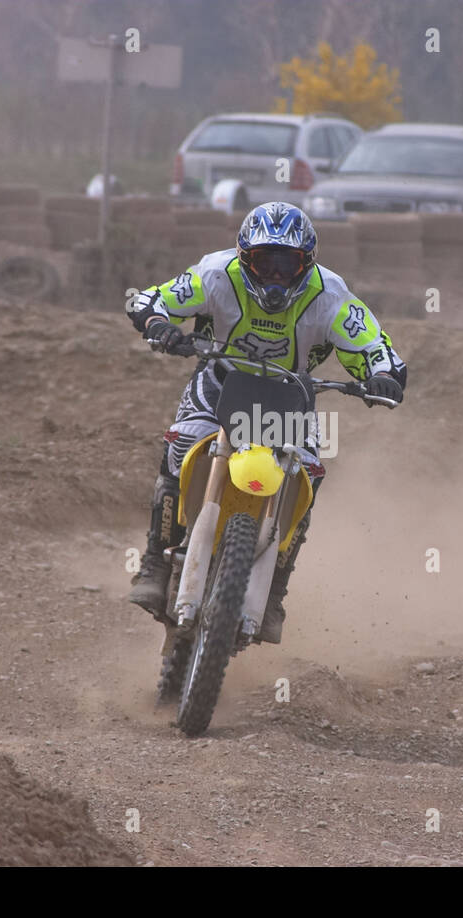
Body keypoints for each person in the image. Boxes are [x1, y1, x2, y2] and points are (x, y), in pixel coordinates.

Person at [125, 201, 407, 644]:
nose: (275, 277)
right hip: (220, 381)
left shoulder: (330, 295)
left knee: (308, 473)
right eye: (264, 263)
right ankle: (156, 561)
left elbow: (373, 343)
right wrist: (159, 324)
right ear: (244, 258)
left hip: (290, 397)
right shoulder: (216, 274)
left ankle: (274, 589)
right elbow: (152, 299)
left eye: (286, 265)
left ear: (306, 263)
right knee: (182, 444)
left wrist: (383, 375)